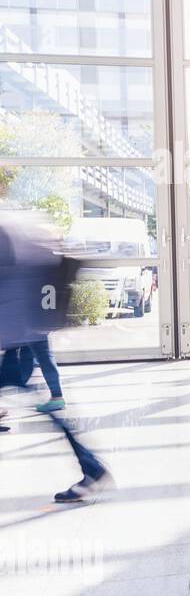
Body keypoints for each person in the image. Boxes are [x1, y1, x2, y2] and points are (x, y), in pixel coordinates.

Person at [0, 213, 113, 502]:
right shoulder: (15, 224)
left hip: (16, 332)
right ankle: (92, 468)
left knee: (41, 400)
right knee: (40, 399)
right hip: (23, 330)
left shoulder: (5, 229)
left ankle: (92, 468)